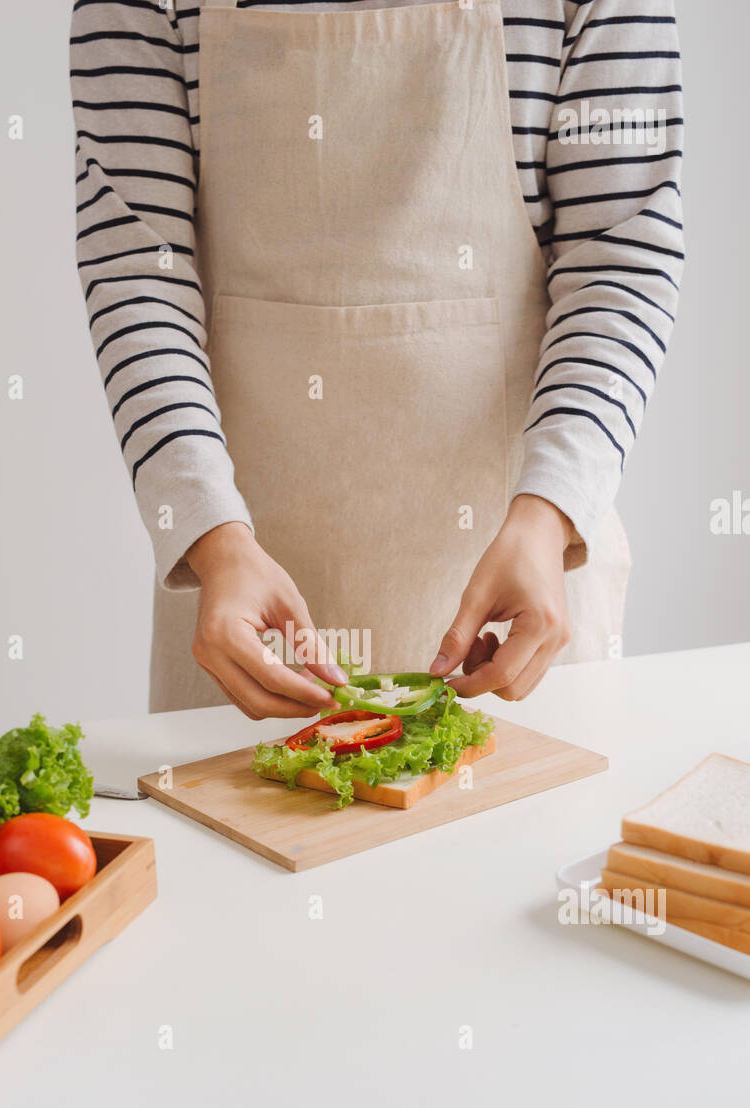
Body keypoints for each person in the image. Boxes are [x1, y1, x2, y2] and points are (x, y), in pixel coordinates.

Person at [70, 0, 684, 718]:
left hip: (524, 585)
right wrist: (211, 537)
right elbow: (138, 269)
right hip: (245, 598)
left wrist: (547, 516)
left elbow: (618, 259)